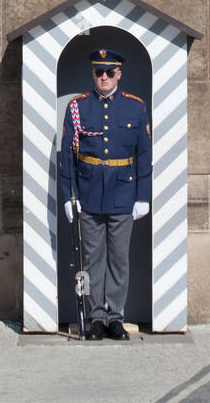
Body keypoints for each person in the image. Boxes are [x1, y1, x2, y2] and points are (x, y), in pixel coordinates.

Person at [60, 48, 152, 339]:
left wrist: (143, 196)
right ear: (93, 74)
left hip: (123, 194)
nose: (104, 77)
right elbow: (68, 157)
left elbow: (144, 154)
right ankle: (96, 316)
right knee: (92, 259)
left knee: (118, 260)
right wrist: (68, 195)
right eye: (99, 72)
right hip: (88, 195)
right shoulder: (78, 107)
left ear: (119, 75)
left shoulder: (135, 107)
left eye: (109, 72)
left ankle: (115, 317)